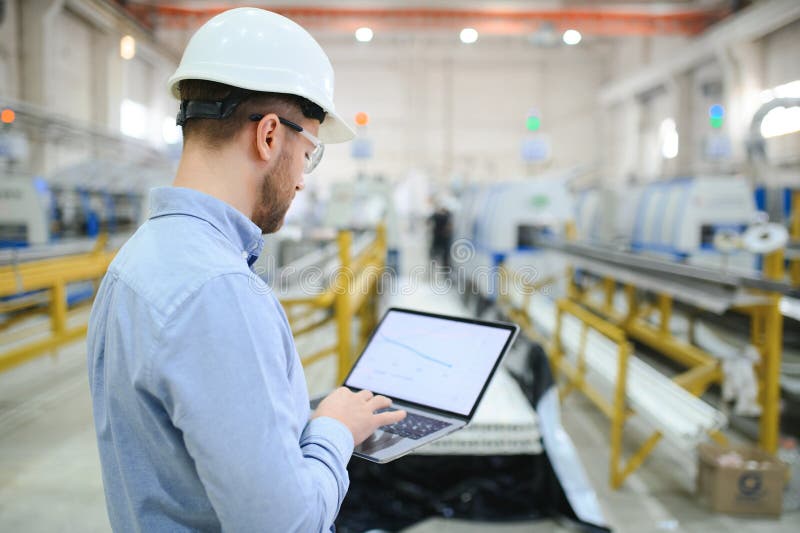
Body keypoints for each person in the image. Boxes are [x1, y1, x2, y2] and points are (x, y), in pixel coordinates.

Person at [86, 8, 405, 532]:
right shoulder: (220, 293)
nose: (303, 180)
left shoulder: (136, 261)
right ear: (270, 136)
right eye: (310, 153)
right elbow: (289, 525)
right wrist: (334, 431)